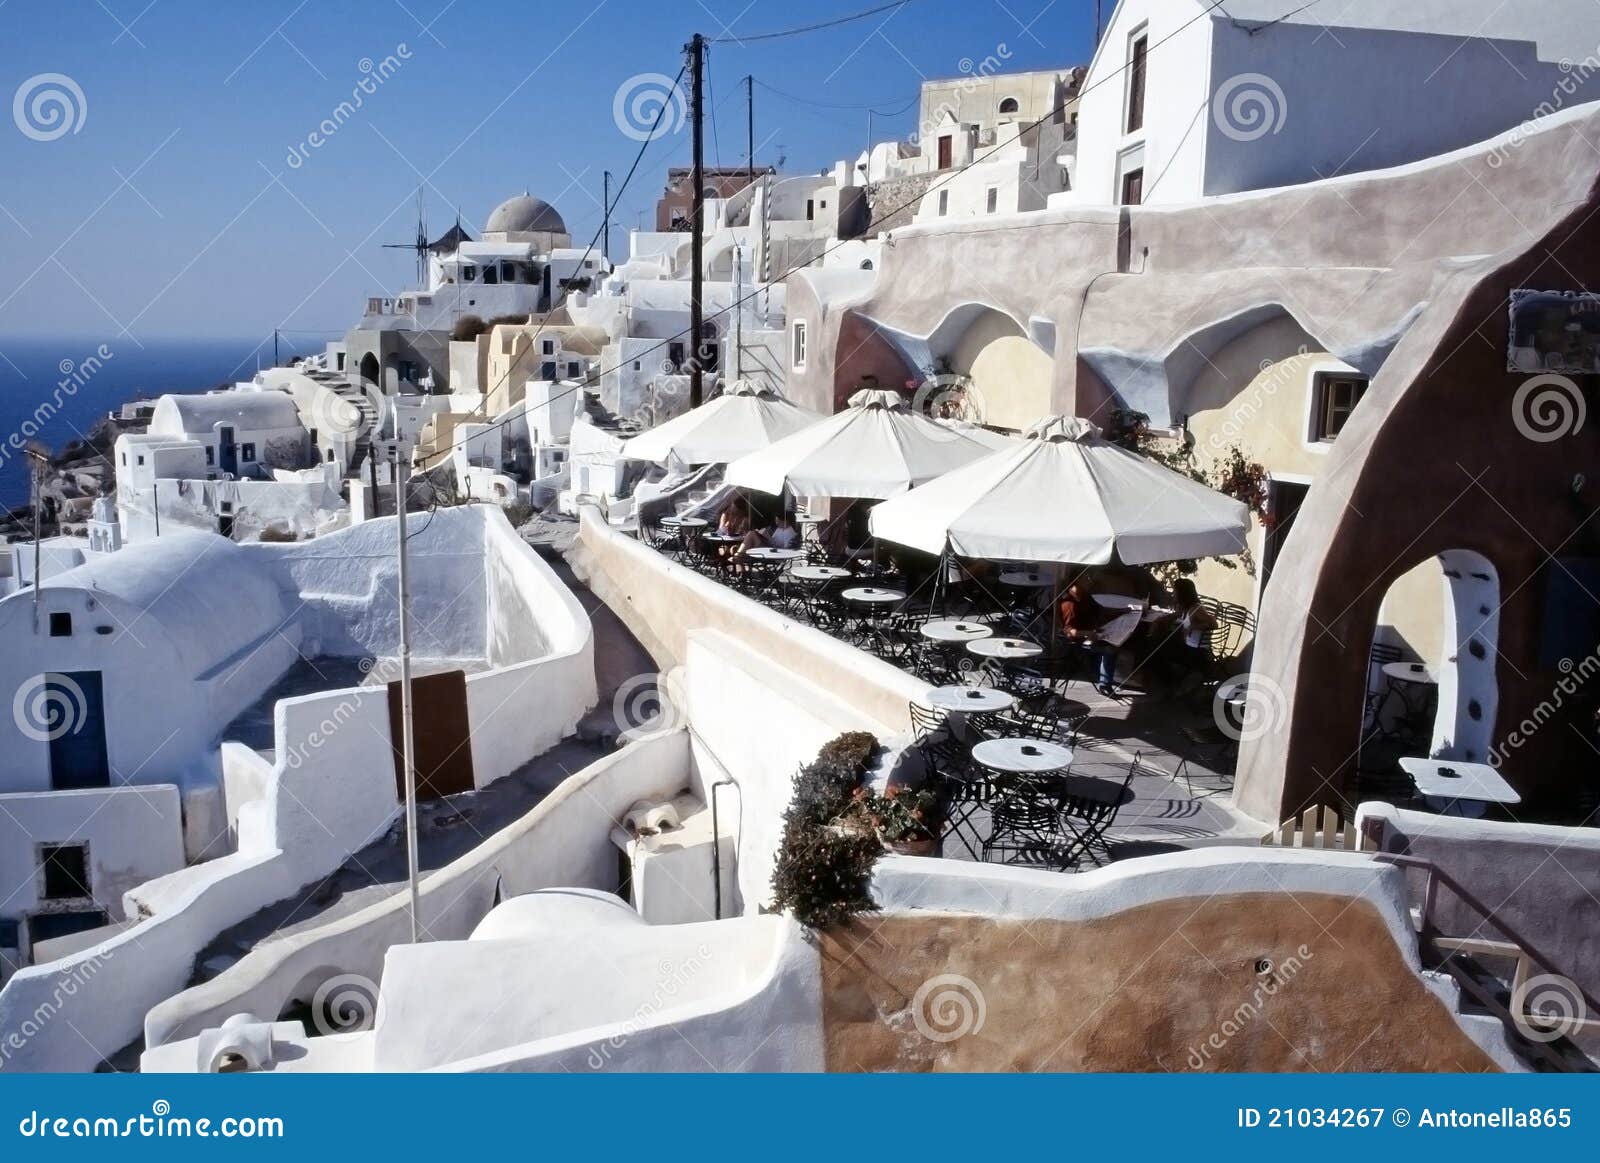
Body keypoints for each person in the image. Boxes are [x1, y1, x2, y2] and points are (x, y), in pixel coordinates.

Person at [1150, 578, 1217, 687]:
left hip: (1197, 654)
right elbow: (1175, 615)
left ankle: (1170, 683)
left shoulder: (1196, 609)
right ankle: (1169, 681)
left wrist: (1193, 627)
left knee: (1158, 648)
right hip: (1189, 647)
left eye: (1175, 591)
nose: (1173, 594)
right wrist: (1159, 620)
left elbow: (1214, 624)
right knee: (1159, 641)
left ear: (1182, 593)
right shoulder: (1186, 607)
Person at [1060, 581, 1119, 696]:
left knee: (1115, 642)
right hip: (1077, 643)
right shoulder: (1069, 604)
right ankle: (1104, 685)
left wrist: (1122, 611)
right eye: (1086, 578)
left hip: (1093, 633)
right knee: (1110, 650)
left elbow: (1101, 610)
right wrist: (1088, 633)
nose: (1090, 581)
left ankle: (1099, 672)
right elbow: (1069, 632)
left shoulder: (1085, 595)